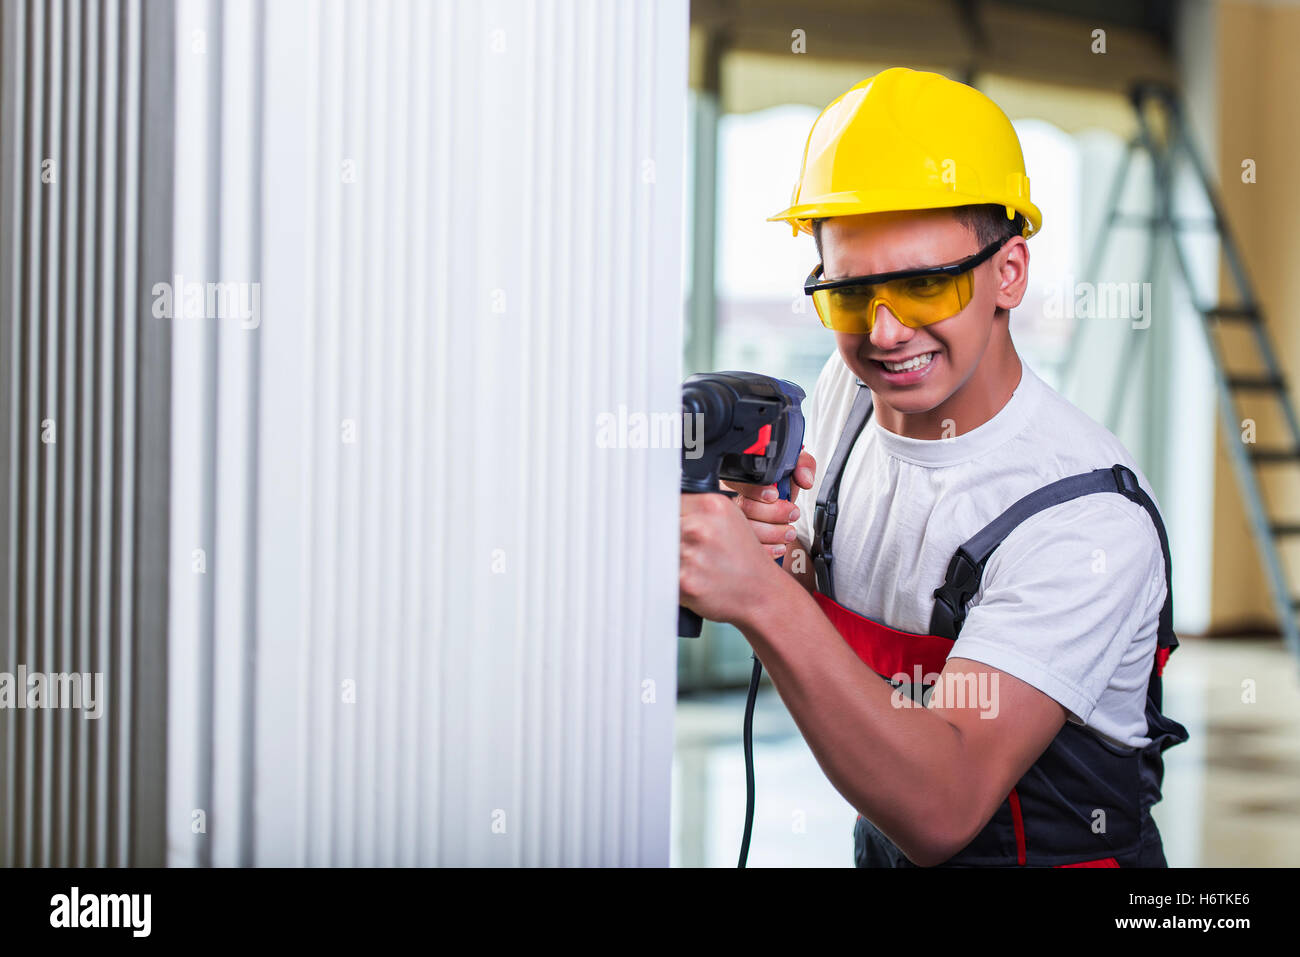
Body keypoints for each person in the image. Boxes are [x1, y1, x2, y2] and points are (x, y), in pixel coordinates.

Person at [678, 67, 1189, 867]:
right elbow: (841, 597)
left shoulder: (1084, 517)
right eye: (850, 293)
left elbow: (942, 805)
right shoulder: (847, 395)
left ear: (1009, 273)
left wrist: (758, 594)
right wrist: (776, 555)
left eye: (923, 284)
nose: (884, 333)